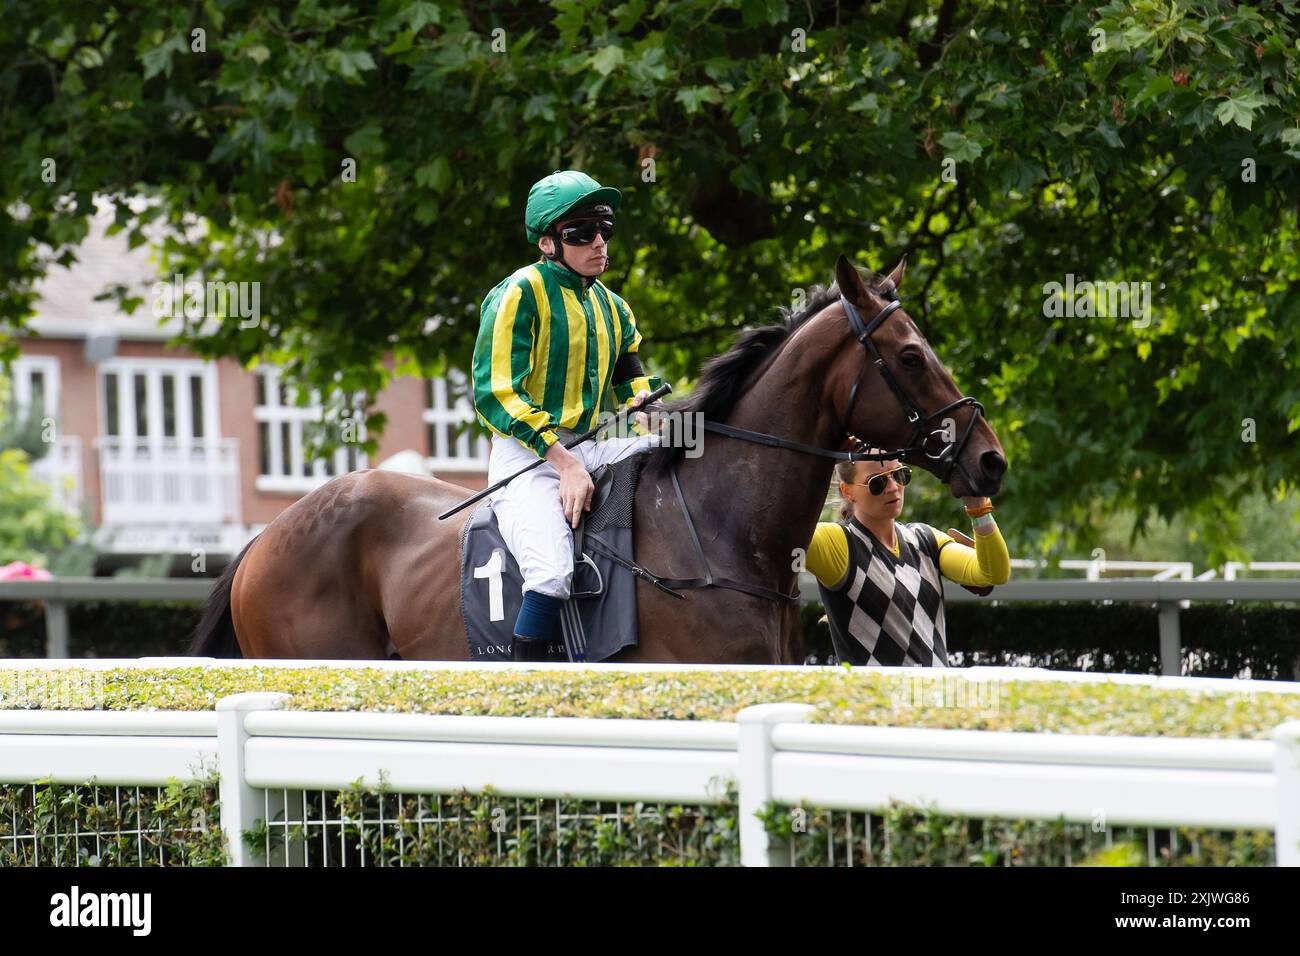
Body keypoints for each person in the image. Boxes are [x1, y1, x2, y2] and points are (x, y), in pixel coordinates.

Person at [472, 170, 663, 661]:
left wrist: (647, 409)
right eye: (582, 233)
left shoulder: (613, 306)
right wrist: (565, 463)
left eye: (605, 229)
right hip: (529, 455)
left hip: (593, 443)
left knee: (685, 447)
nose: (599, 243)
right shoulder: (518, 293)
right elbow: (496, 396)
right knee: (552, 572)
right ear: (547, 243)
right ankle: (523, 691)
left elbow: (630, 373)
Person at [804, 446, 1011, 666]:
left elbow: (993, 574)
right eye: (878, 482)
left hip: (936, 697)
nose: (893, 487)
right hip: (877, 699)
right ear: (847, 491)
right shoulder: (837, 542)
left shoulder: (925, 538)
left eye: (900, 475)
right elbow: (781, 529)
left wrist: (978, 507)